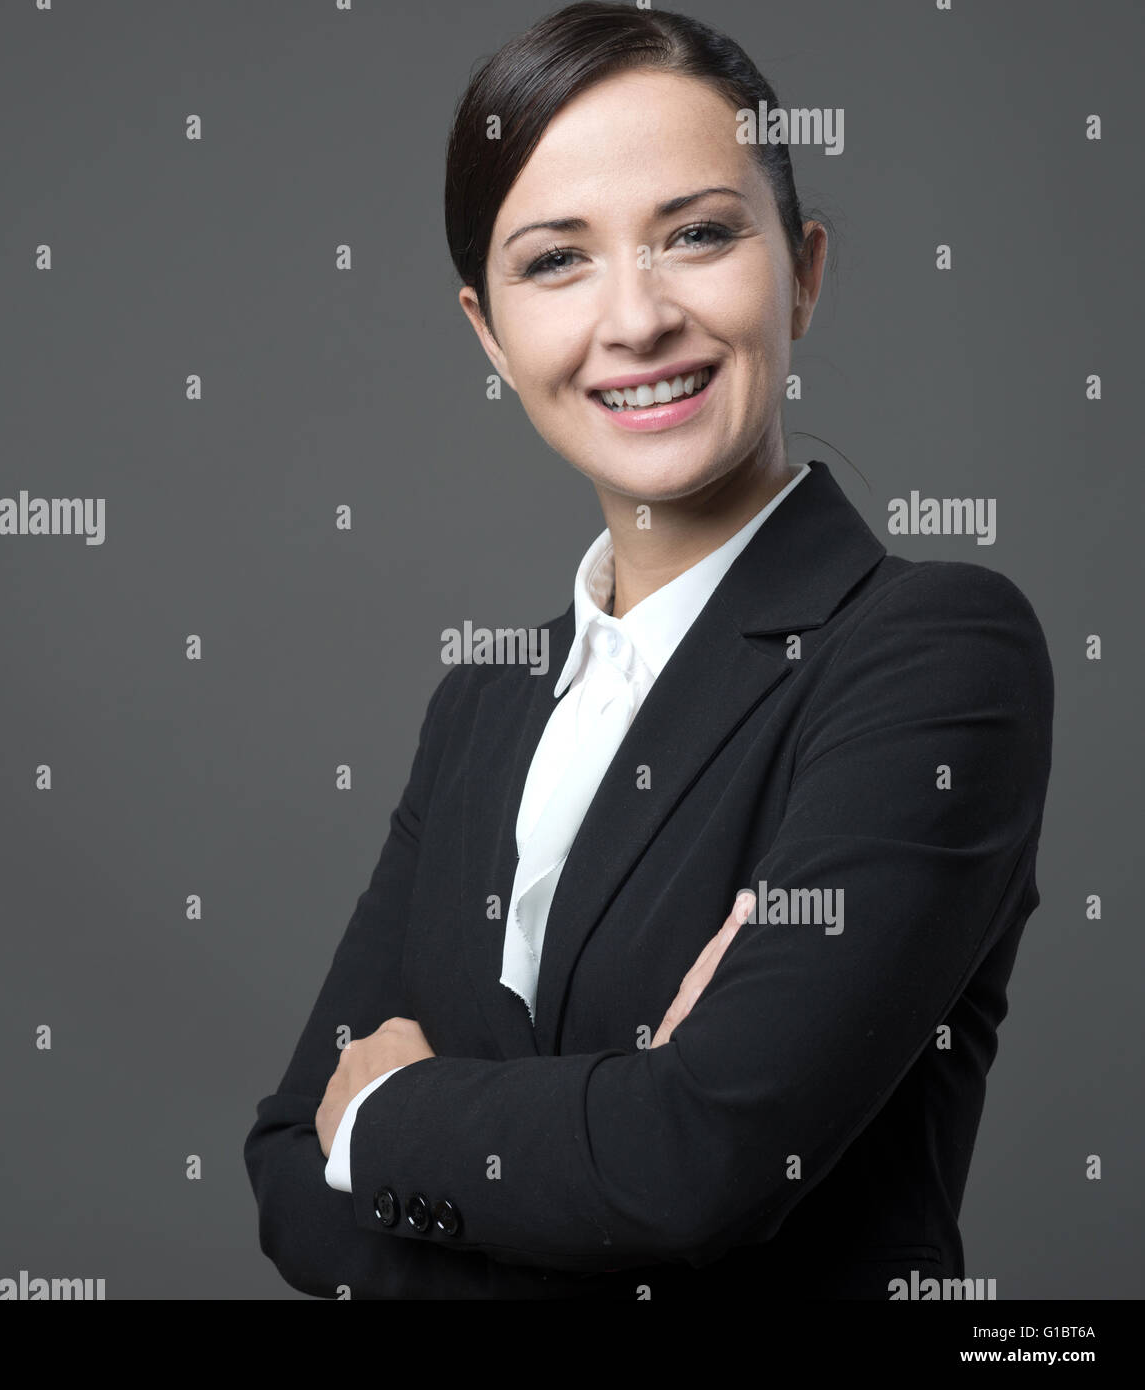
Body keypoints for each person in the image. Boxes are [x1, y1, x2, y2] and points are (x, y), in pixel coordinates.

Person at [243, 2, 1053, 1299]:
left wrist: (391, 1118)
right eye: (556, 261)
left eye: (697, 234)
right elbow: (288, 1164)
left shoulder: (933, 656)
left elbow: (699, 1155)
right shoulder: (482, 707)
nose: (635, 319)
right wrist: (599, 1137)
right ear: (488, 334)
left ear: (803, 269)